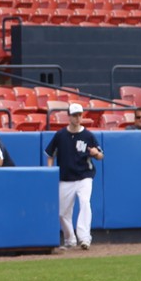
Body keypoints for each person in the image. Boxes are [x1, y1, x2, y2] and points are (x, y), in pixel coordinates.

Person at [45, 102, 104, 251]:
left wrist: (96, 153)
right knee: (63, 212)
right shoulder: (60, 135)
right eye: (75, 115)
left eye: (80, 115)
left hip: (84, 175)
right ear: (69, 116)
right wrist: (50, 169)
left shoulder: (88, 135)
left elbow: (100, 155)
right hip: (66, 177)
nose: (78, 118)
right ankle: (70, 239)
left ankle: (84, 238)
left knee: (85, 203)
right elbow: (50, 153)